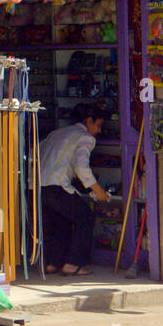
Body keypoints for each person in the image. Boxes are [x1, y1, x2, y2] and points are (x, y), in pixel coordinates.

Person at [38, 102, 111, 276]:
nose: (99, 131)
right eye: (98, 125)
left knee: (60, 221)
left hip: (38, 187)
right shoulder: (85, 138)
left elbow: (37, 151)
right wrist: (97, 190)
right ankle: (73, 264)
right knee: (85, 216)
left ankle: (52, 263)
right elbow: (81, 167)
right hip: (57, 186)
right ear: (88, 121)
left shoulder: (57, 133)